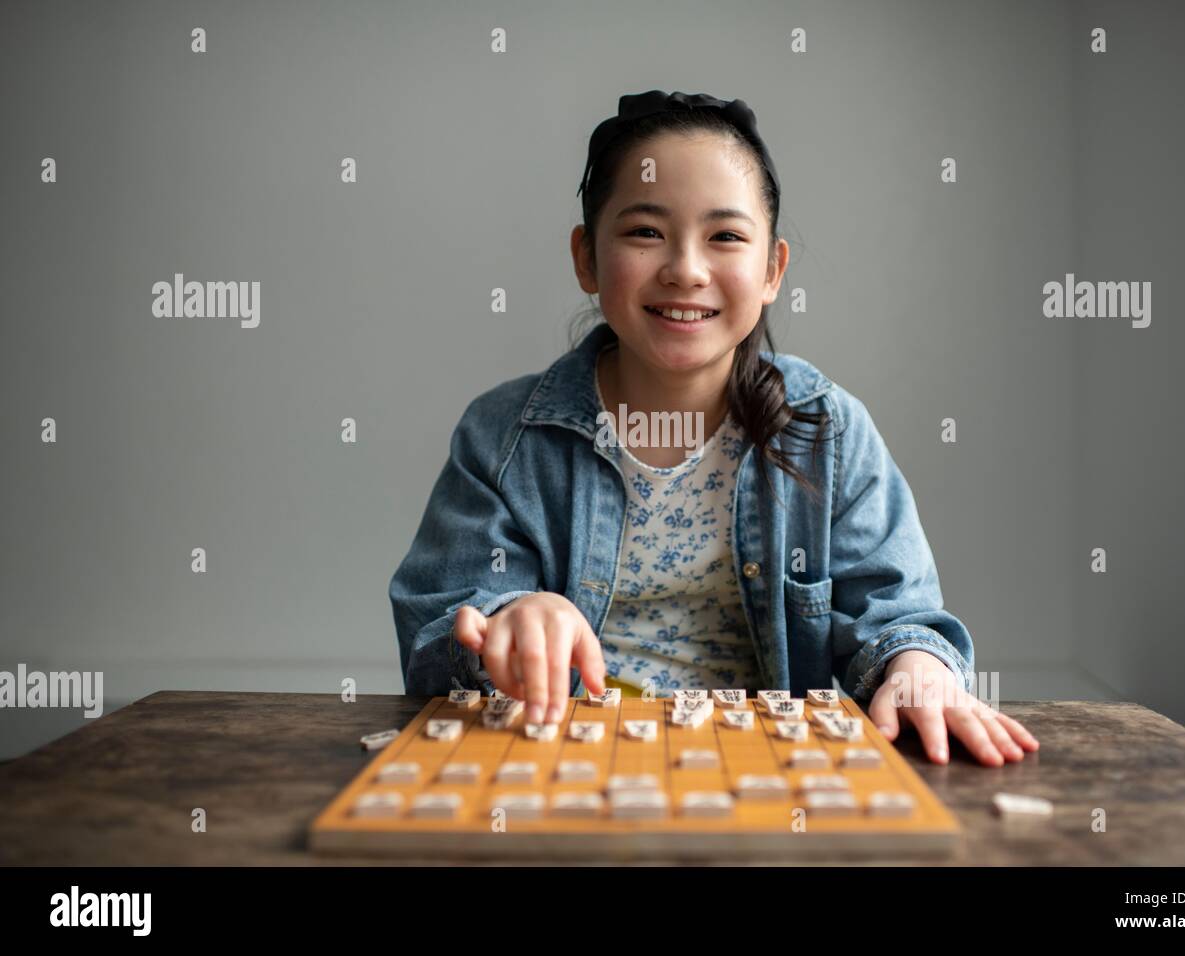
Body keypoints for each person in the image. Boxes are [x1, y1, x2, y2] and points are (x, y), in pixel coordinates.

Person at [389, 90, 1037, 766]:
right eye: (645, 232)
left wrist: (915, 667)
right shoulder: (505, 436)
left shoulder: (828, 432)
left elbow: (898, 615)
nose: (686, 270)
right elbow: (441, 636)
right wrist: (507, 624)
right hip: (563, 765)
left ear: (772, 270)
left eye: (725, 236)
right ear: (586, 257)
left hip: (769, 781)